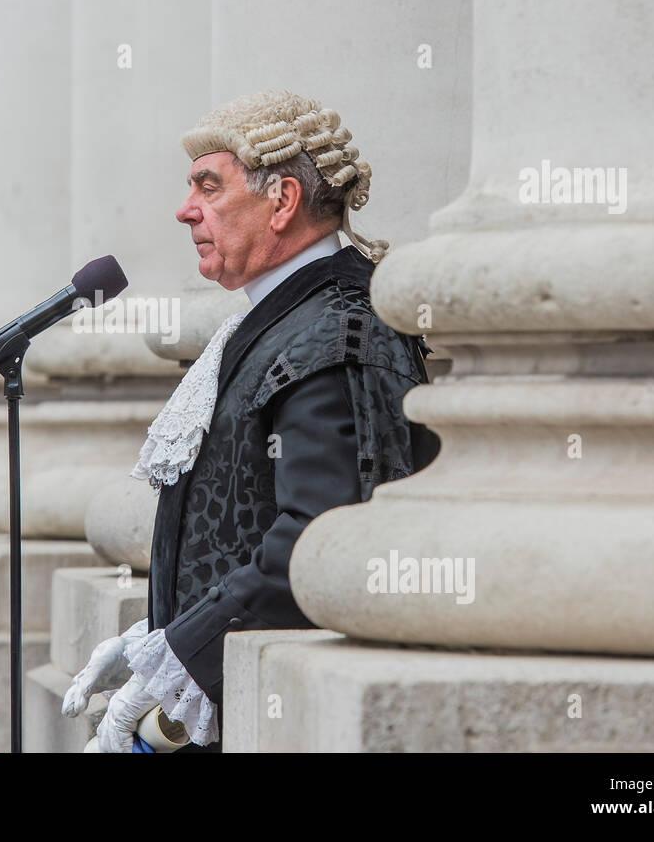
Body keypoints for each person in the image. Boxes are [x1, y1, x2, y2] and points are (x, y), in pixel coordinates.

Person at [63, 90, 438, 751]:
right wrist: (155, 637)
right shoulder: (288, 318)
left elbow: (317, 539)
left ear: (283, 201)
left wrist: (178, 661)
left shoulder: (335, 331)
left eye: (208, 186)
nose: (185, 211)